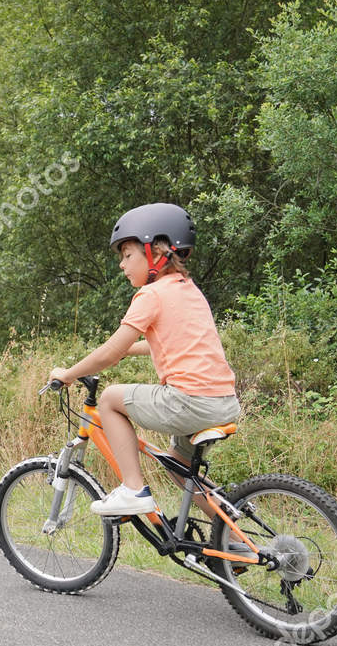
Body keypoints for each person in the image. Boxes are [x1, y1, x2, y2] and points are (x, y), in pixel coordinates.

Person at [48, 202, 240, 517]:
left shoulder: (150, 295)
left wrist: (68, 374)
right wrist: (122, 351)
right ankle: (230, 536)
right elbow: (161, 345)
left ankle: (134, 489)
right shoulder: (188, 290)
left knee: (109, 399)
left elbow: (111, 351)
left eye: (127, 255)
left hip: (189, 401)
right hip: (223, 401)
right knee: (179, 465)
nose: (122, 265)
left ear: (156, 252)